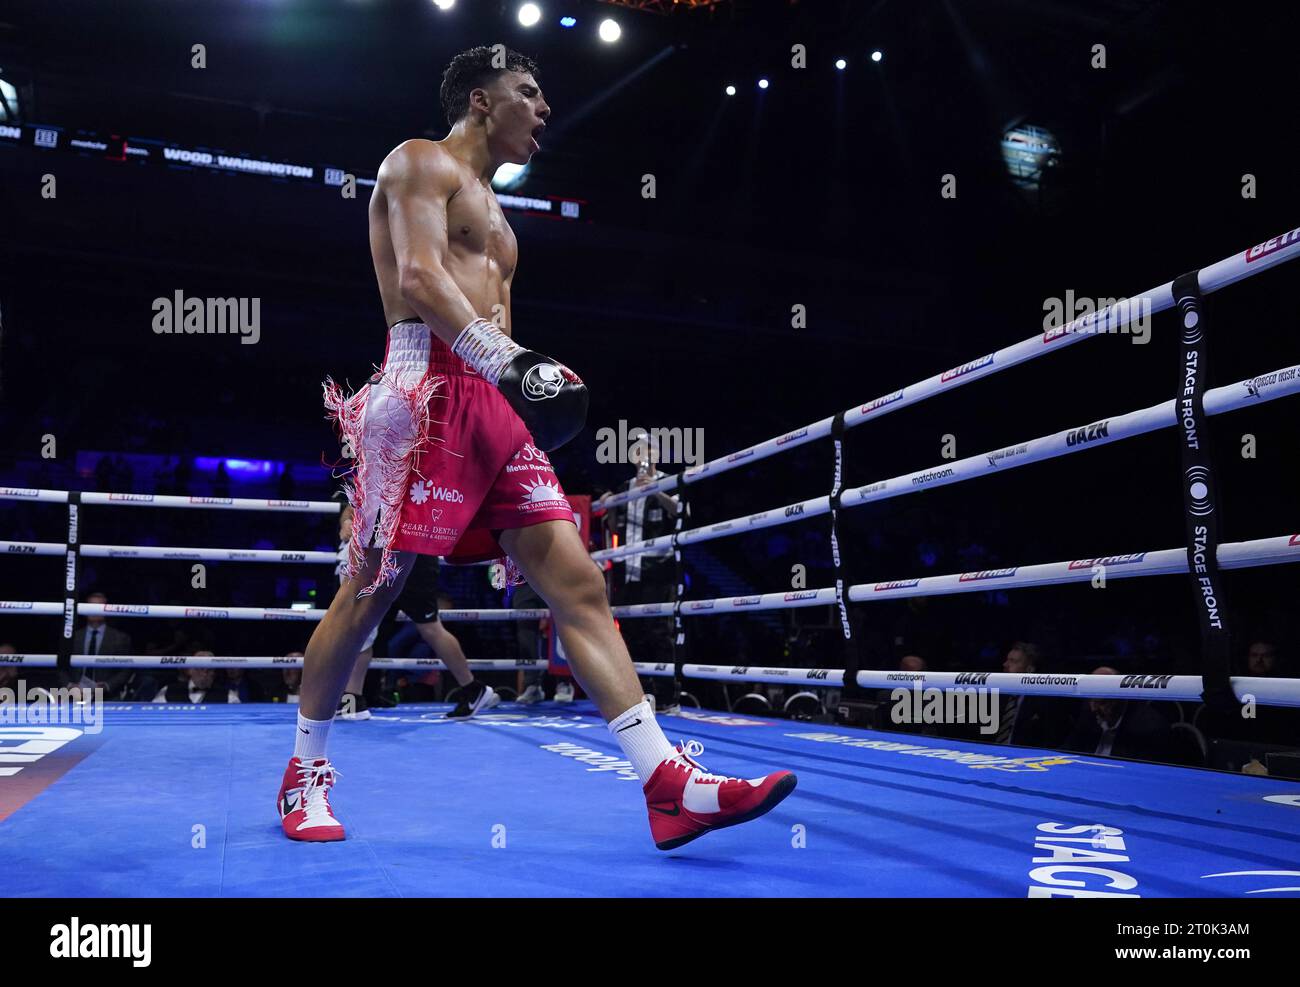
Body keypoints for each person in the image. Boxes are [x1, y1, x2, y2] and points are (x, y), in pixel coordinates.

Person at [277, 46, 795, 849]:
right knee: (369, 593)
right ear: (482, 101)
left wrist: (515, 379)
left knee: (578, 583)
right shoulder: (418, 162)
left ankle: (668, 784)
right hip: (425, 392)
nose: (545, 108)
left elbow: (489, 318)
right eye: (530, 91)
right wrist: (510, 363)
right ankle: (303, 772)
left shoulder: (498, 209)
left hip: (494, 401)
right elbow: (419, 278)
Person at [332, 500, 496, 721]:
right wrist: (347, 521)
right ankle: (353, 700)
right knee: (363, 627)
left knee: (429, 627)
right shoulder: (372, 473)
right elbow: (353, 506)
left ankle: (472, 687)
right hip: (382, 554)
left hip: (413, 554)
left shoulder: (416, 472)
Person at [609, 428, 681, 713]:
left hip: (658, 571)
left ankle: (667, 696)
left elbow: (682, 512)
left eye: (647, 449)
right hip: (628, 572)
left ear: (656, 454)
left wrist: (655, 489)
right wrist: (610, 507)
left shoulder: (669, 481)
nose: (642, 455)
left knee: (659, 633)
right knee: (631, 633)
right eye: (637, 450)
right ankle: (641, 694)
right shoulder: (623, 488)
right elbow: (615, 528)